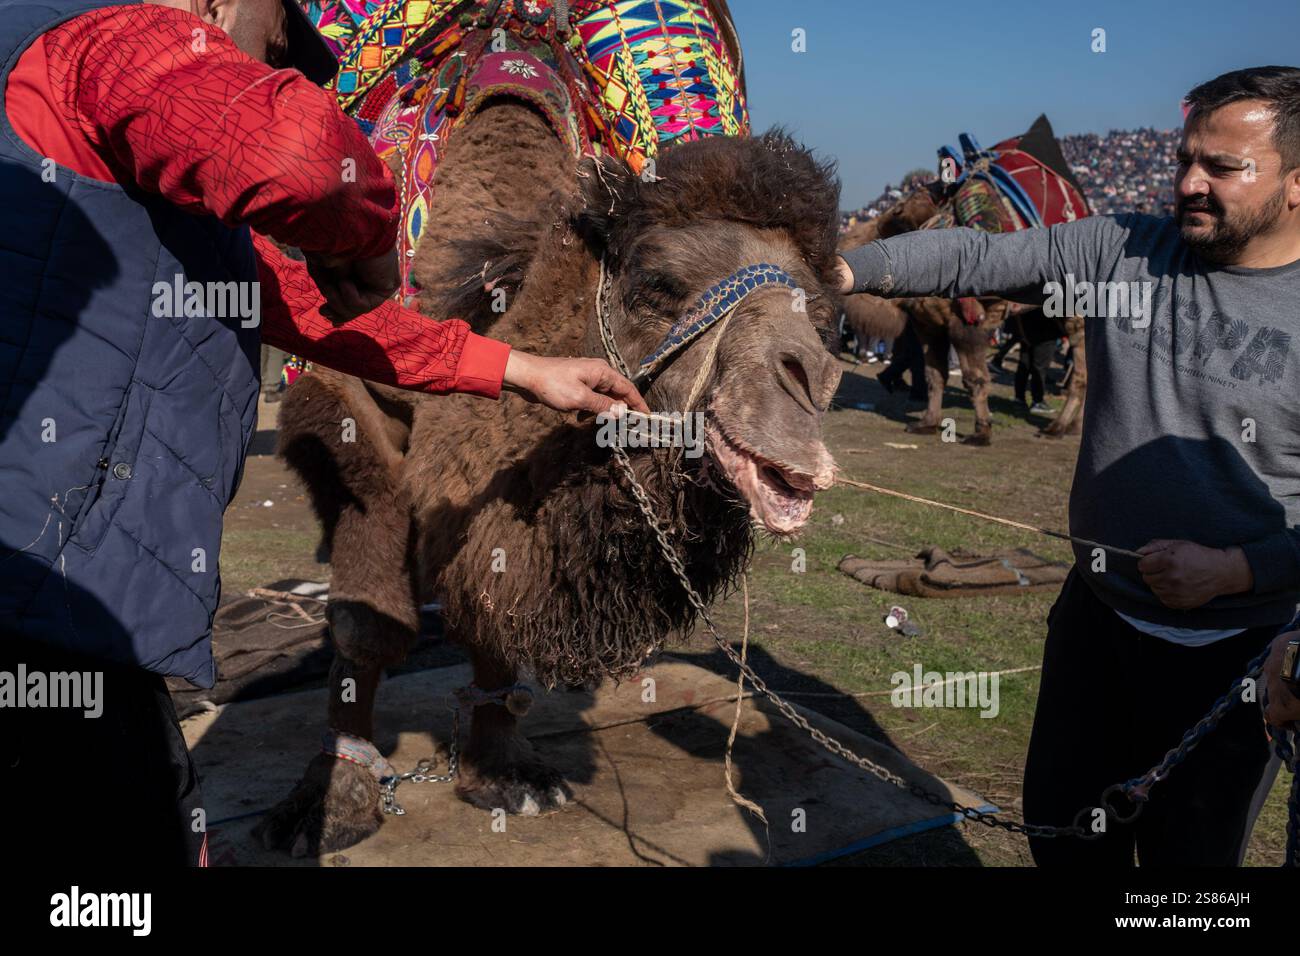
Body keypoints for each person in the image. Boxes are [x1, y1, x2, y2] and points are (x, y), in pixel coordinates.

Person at [0, 0, 646, 866]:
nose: (279, 58)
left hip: (74, 575)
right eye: (274, 33)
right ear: (218, 4)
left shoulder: (152, 193)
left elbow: (316, 316)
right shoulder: (109, 34)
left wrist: (525, 372)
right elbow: (298, 157)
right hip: (45, 572)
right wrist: (372, 239)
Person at [836, 66, 1300, 866]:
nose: (1189, 183)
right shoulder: (1126, 246)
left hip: (1237, 660)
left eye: (1222, 168)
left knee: (1187, 873)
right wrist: (844, 270)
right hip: (1096, 624)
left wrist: (1237, 571)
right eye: (1186, 159)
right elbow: (978, 258)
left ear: (1297, 184)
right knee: (1063, 839)